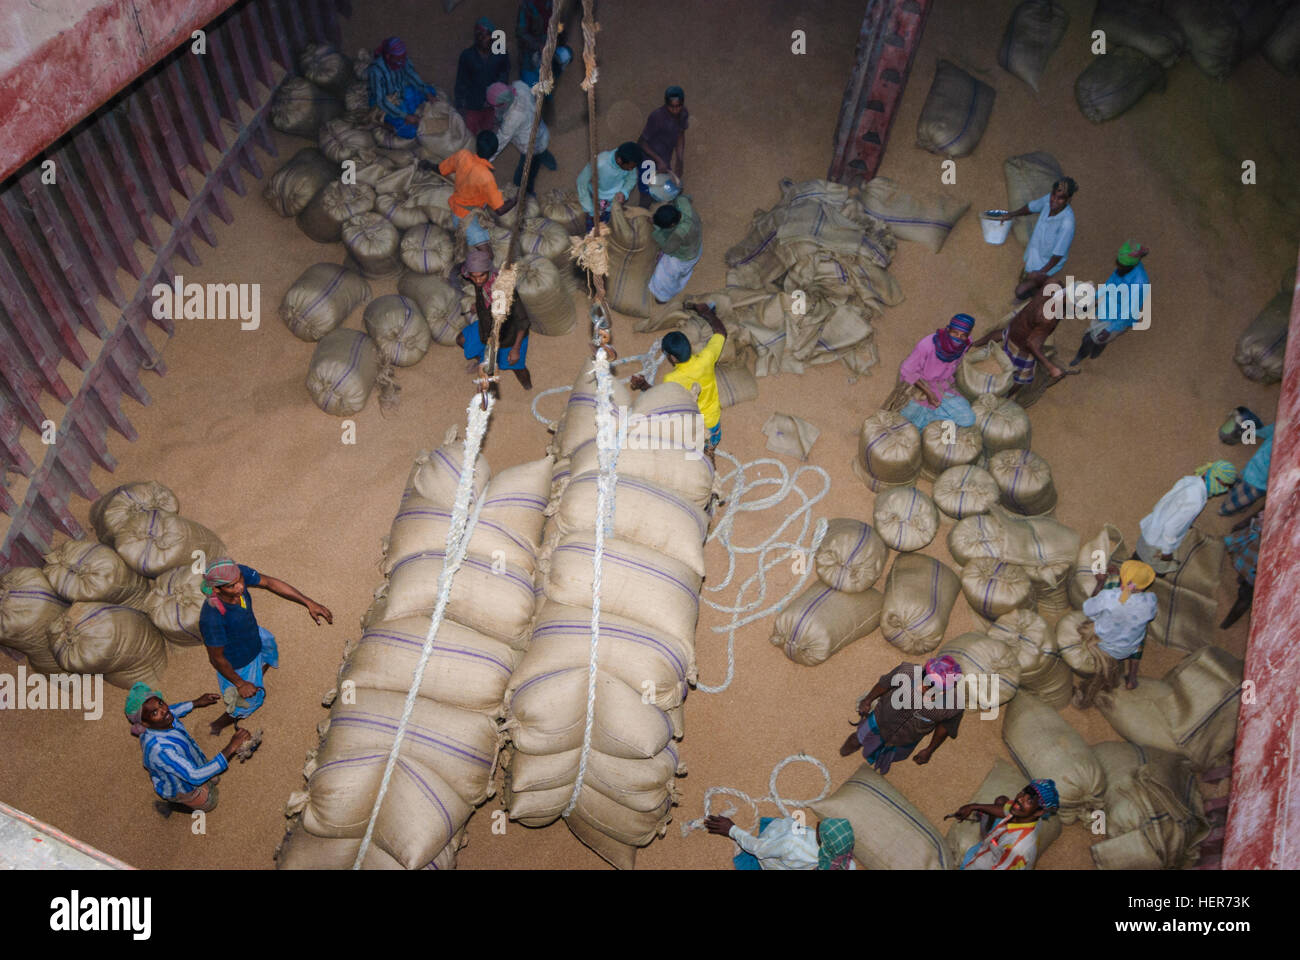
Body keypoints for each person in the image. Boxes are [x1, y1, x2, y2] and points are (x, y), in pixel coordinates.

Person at [199, 558, 332, 736]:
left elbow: (269, 582)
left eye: (240, 580)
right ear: (217, 589)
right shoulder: (212, 617)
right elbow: (216, 658)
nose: (240, 586)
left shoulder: (236, 573)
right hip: (240, 660)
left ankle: (258, 674)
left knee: (268, 650)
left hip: (255, 636)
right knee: (247, 701)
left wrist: (308, 602)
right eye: (232, 586)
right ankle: (218, 724)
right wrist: (240, 683)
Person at [126, 682, 251, 816]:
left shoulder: (165, 718)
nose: (164, 710)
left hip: (193, 760)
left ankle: (204, 779)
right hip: (182, 787)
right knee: (210, 802)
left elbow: (175, 709)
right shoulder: (160, 750)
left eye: (161, 703)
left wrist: (196, 702)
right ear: (144, 723)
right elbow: (194, 776)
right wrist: (231, 747)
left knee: (213, 777)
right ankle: (174, 805)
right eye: (155, 712)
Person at [629, 302, 726, 459]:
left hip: (693, 426)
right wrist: (707, 313)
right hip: (713, 420)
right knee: (709, 444)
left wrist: (643, 384)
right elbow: (721, 332)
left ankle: (698, 452)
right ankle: (710, 451)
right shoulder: (706, 359)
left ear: (672, 357)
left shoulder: (672, 379)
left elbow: (662, 397)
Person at [839, 656, 964, 773]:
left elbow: (945, 728)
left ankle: (879, 763)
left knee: (887, 757)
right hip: (879, 720)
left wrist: (929, 750)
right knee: (858, 738)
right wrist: (867, 700)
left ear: (945, 691)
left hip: (904, 741)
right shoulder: (906, 672)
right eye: (923, 680)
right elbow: (885, 683)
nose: (922, 688)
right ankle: (853, 745)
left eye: (931, 688)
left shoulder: (953, 705)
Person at [970, 289, 1078, 400]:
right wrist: (1050, 367)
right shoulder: (1049, 318)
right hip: (1021, 347)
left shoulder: (1051, 289)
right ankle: (1004, 397)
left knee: (1003, 333)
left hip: (1015, 328)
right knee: (1023, 378)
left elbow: (1033, 281)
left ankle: (975, 344)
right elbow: (1031, 344)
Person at [1135, 462, 1236, 575]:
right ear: (1215, 479)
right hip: (1157, 542)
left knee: (1137, 558)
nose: (1225, 490)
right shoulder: (1195, 501)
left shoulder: (1190, 480)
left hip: (1151, 528)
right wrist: (1166, 552)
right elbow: (1172, 527)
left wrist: (1186, 522)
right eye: (1224, 485)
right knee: (1148, 572)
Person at [456, 245, 532, 390]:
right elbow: (484, 298)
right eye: (474, 276)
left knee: (517, 367)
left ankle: (527, 386)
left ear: (489, 272)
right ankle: (483, 362)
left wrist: (515, 348)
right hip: (486, 329)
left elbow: (523, 321)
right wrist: (478, 306)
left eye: (481, 276)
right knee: (462, 339)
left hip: (508, 336)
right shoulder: (481, 282)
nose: (477, 280)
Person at [1081, 559, 1158, 696]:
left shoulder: (1108, 595)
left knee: (1091, 620)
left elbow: (1088, 609)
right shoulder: (1151, 600)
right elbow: (1149, 613)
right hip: (1128, 647)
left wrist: (1100, 582)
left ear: (1123, 579)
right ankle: (1132, 677)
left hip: (1103, 644)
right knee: (1141, 631)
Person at [1069, 240, 1150, 366]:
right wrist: (1093, 300)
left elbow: (1127, 312)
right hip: (1107, 307)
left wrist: (1109, 329)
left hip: (1118, 319)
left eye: (1122, 266)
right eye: (1118, 264)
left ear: (1131, 266)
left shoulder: (1139, 283)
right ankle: (1094, 351)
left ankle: (1081, 356)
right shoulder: (1122, 268)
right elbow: (1109, 285)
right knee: (1095, 336)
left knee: (1090, 338)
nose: (1118, 268)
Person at [996, 177, 1078, 300]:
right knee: (1024, 284)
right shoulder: (1048, 200)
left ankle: (1042, 292)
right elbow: (1031, 207)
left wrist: (1041, 272)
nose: (1054, 201)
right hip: (1034, 253)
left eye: (1060, 198)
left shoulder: (1067, 224)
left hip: (1046, 264)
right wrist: (1012, 214)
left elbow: (1057, 255)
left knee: (1020, 292)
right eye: (1053, 195)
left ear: (1068, 200)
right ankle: (1034, 289)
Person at [949, 779, 1059, 870]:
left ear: (1039, 812)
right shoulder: (1025, 814)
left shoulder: (1018, 849)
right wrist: (974, 806)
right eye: (1023, 792)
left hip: (995, 862)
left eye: (1029, 801)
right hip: (990, 848)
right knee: (1002, 801)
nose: (1020, 799)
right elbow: (1005, 810)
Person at [896, 313, 978, 430]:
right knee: (906, 421)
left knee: (968, 419)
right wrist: (928, 392)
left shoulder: (965, 344)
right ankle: (930, 419)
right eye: (954, 333)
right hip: (919, 387)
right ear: (948, 329)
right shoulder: (927, 345)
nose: (958, 339)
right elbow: (907, 370)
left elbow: (955, 364)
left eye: (963, 335)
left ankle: (931, 419)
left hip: (942, 387)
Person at [438, 131, 518, 248]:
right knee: (488, 254)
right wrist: (515, 200)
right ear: (494, 152)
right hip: (464, 216)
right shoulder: (486, 176)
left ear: (476, 145)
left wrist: (428, 165)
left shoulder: (463, 155)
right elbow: (500, 210)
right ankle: (462, 262)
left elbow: (442, 169)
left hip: (456, 203)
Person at [704, 812, 856, 870]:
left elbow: (758, 849)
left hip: (774, 859)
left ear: (817, 827)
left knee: (760, 850)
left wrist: (732, 830)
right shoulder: (847, 862)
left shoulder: (791, 844)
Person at [485, 81, 557, 196]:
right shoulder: (519, 86)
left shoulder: (512, 118)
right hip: (540, 131)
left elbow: (501, 141)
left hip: (529, 145)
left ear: (503, 104)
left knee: (525, 172)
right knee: (543, 152)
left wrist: (486, 160)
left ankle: (525, 191)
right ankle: (552, 165)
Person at [366, 37, 438, 140]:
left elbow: (413, 77)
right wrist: (405, 116)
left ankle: (410, 114)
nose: (402, 61)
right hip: (386, 103)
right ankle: (388, 125)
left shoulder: (403, 60)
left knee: (431, 90)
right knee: (410, 131)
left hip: (402, 92)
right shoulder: (376, 71)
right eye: (398, 59)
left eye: (403, 58)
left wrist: (428, 94)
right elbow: (381, 101)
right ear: (388, 56)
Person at [455, 17, 510, 135]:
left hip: (491, 105)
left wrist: (497, 95)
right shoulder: (467, 56)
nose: (483, 39)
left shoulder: (501, 53)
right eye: (480, 36)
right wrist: (460, 105)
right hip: (472, 104)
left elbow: (504, 74)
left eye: (486, 35)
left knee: (487, 131)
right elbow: (461, 81)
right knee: (471, 133)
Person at [636, 86, 688, 205]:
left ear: (682, 103)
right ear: (666, 104)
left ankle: (660, 218)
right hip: (647, 158)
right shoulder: (657, 117)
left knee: (666, 191)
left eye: (678, 106)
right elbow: (641, 142)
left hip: (665, 156)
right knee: (647, 192)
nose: (675, 110)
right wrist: (658, 160)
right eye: (671, 106)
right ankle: (642, 217)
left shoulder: (683, 114)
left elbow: (680, 134)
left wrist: (680, 159)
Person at [648, 195, 703, 304]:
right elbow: (683, 198)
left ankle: (662, 296)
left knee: (664, 275)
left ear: (673, 225)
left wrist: (657, 229)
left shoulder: (679, 233)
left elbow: (667, 249)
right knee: (684, 272)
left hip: (686, 256)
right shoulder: (683, 204)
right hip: (697, 244)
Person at [576, 142, 642, 230]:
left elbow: (632, 179)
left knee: (609, 229)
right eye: (629, 167)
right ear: (619, 160)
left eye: (633, 167)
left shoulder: (630, 162)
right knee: (592, 232)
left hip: (614, 201)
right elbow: (581, 182)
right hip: (596, 199)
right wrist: (590, 210)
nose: (631, 169)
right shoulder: (600, 162)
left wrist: (624, 192)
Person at [1221, 507, 1264, 629]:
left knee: (1246, 595)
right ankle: (1226, 624)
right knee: (1246, 593)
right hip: (1257, 563)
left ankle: (1227, 624)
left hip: (1255, 558)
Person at [1220, 421, 1274, 515]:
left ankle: (1225, 511)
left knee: (1231, 505)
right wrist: (1253, 433)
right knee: (1236, 483)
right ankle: (1236, 505)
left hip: (1258, 483)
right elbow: (1270, 430)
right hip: (1251, 468)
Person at [517, 0, 569, 86]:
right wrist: (539, 46)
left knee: (567, 54)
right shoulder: (527, 5)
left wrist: (560, 41)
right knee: (531, 89)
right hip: (531, 57)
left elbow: (560, 27)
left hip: (550, 51)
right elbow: (521, 33)